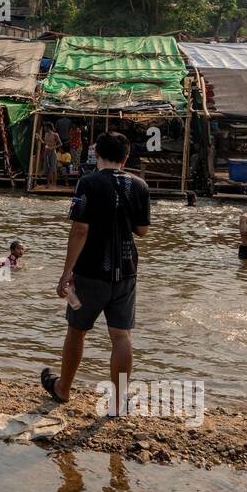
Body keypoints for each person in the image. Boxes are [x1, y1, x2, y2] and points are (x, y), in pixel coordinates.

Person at [43, 132, 150, 410]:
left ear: (96, 154)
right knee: (122, 335)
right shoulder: (139, 185)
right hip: (126, 271)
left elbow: (80, 229)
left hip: (89, 272)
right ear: (126, 158)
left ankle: (63, 389)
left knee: (77, 330)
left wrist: (66, 272)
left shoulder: (87, 182)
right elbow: (142, 230)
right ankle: (118, 401)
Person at [42, 124, 60, 188]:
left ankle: (54, 183)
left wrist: (52, 148)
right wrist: (39, 138)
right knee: (47, 169)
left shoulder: (55, 134)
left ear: (48, 127)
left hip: (53, 152)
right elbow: (45, 143)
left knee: (53, 168)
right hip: (46, 152)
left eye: (45, 127)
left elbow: (60, 144)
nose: (44, 128)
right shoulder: (46, 134)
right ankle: (48, 183)